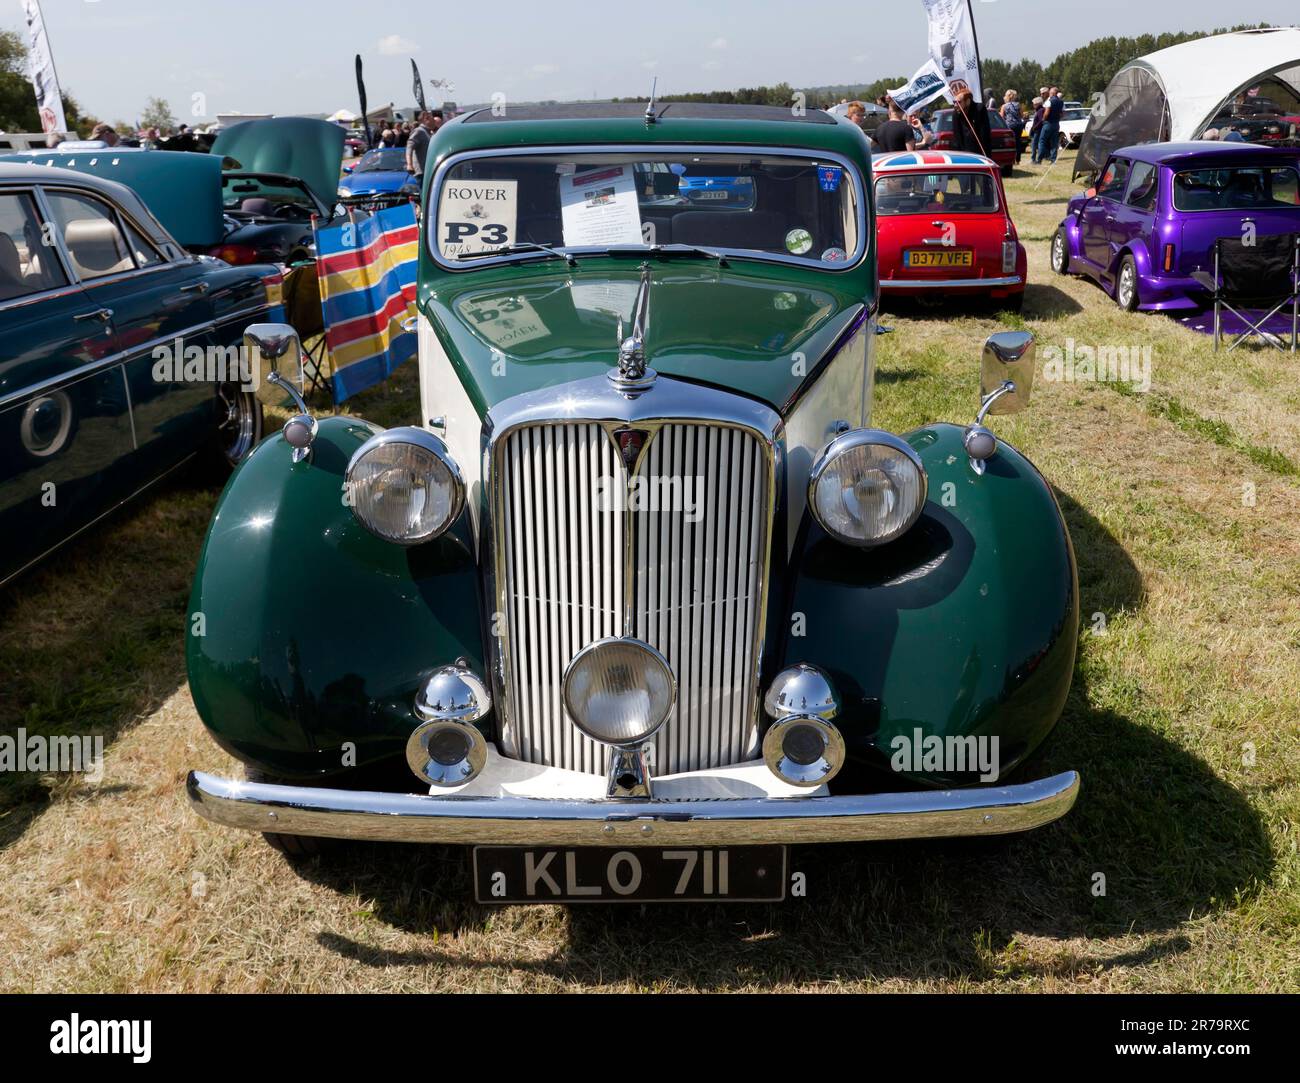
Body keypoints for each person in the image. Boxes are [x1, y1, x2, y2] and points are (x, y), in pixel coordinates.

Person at [950, 88, 992, 157]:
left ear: (968, 101)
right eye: (954, 102)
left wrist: (985, 155)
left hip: (980, 152)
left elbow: (985, 134)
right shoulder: (956, 113)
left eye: (958, 102)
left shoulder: (979, 109)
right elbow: (957, 136)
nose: (955, 105)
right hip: (963, 153)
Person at [406, 110, 438, 180]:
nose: (435, 122)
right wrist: (409, 165)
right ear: (426, 119)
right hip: (421, 173)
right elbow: (409, 147)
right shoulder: (419, 131)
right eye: (433, 119)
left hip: (428, 171)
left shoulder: (429, 133)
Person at [1039, 87, 1064, 165]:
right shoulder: (1061, 102)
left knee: (1042, 141)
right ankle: (1053, 160)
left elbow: (1047, 112)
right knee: (1054, 143)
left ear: (1052, 93)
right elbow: (1062, 113)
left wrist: (1043, 119)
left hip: (1048, 123)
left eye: (1050, 93)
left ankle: (1040, 158)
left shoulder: (1049, 101)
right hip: (1056, 123)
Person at [1001, 90, 1024, 162]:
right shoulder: (1018, 105)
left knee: (1010, 143)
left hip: (1009, 125)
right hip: (1018, 125)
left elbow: (1001, 117)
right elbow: (1021, 115)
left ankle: (1011, 159)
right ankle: (1018, 159)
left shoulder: (1004, 106)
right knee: (1018, 142)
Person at [1029, 96, 1046, 163]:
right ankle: (1037, 158)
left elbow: (1041, 120)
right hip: (1037, 129)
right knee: (1036, 144)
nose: (1033, 105)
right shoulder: (1040, 110)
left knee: (1034, 144)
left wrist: (1034, 127)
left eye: (1034, 104)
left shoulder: (1040, 110)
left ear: (1038, 104)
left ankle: (1033, 159)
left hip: (1037, 130)